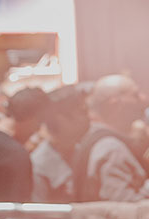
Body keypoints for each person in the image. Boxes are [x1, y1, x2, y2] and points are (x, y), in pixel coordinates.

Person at [74, 74, 149, 202]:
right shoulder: (111, 148)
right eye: (135, 95)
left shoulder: (96, 138)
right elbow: (123, 209)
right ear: (115, 104)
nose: (143, 98)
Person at [30, 85, 90, 202]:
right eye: (82, 112)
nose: (88, 117)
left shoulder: (82, 151)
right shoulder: (39, 165)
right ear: (61, 119)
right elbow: (39, 214)